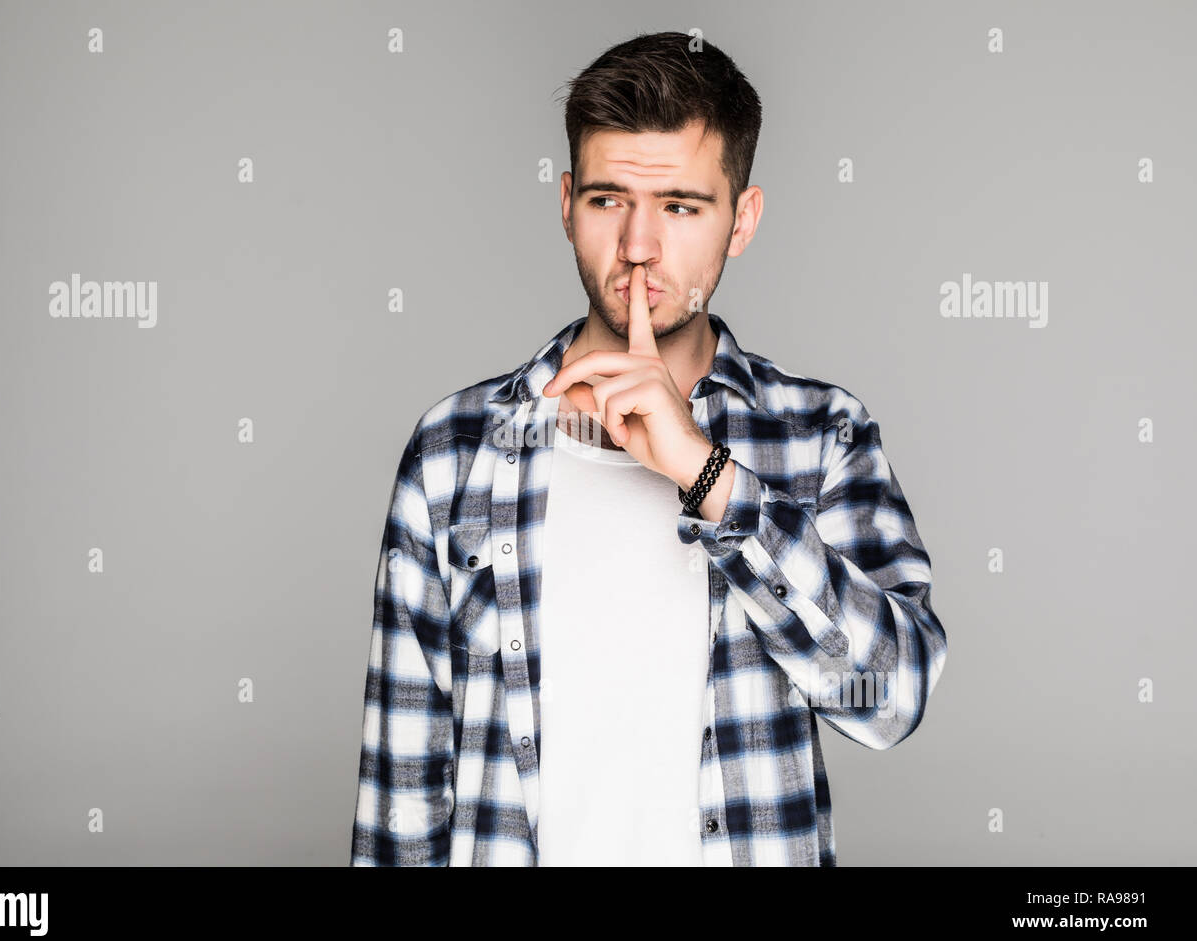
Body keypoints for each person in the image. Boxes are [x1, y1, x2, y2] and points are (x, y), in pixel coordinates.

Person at [350, 31, 947, 866]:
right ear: (566, 205)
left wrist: (708, 476)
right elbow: (400, 797)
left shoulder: (821, 436)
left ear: (742, 220)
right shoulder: (454, 454)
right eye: (606, 201)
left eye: (679, 206)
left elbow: (892, 698)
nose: (638, 246)